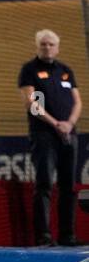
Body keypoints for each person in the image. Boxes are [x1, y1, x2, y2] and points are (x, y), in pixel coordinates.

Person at [18, 30, 81, 247]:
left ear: (58, 47)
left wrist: (69, 124)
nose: (47, 48)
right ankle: (44, 235)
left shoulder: (65, 71)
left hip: (69, 135)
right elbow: (32, 103)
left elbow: (77, 101)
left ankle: (67, 235)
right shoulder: (30, 70)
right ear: (37, 46)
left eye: (51, 44)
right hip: (44, 135)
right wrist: (55, 124)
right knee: (44, 184)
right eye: (43, 44)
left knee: (68, 186)